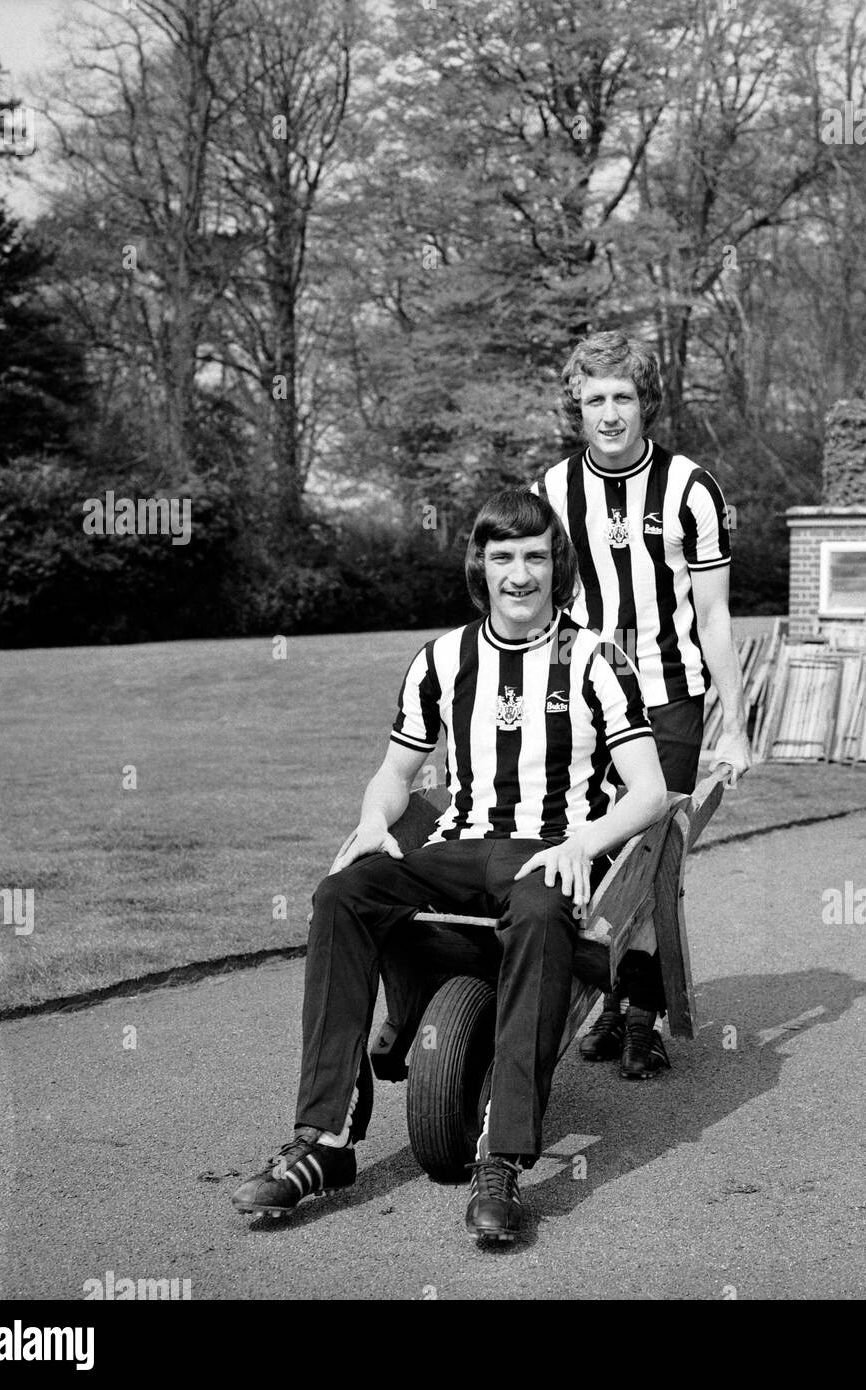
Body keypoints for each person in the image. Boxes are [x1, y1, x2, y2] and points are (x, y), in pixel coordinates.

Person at [231, 489, 667, 1242]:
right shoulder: (443, 658)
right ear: (482, 567)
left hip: (550, 850)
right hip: (457, 848)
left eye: (535, 557)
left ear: (556, 566)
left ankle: (502, 1158)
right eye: (504, 558)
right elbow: (397, 772)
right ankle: (324, 1140)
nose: (520, 575)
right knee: (341, 894)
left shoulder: (597, 659)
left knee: (537, 908)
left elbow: (652, 792)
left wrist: (583, 847)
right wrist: (374, 820)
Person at [534, 330, 752, 1079]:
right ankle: (603, 995)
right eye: (594, 399)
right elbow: (540, 611)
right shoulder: (553, 492)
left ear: (646, 404)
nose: (609, 413)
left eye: (622, 397)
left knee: (654, 854)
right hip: (587, 703)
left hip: (669, 700)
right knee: (588, 846)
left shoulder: (693, 488)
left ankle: (638, 1016)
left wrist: (738, 726)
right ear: (577, 407)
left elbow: (717, 618)